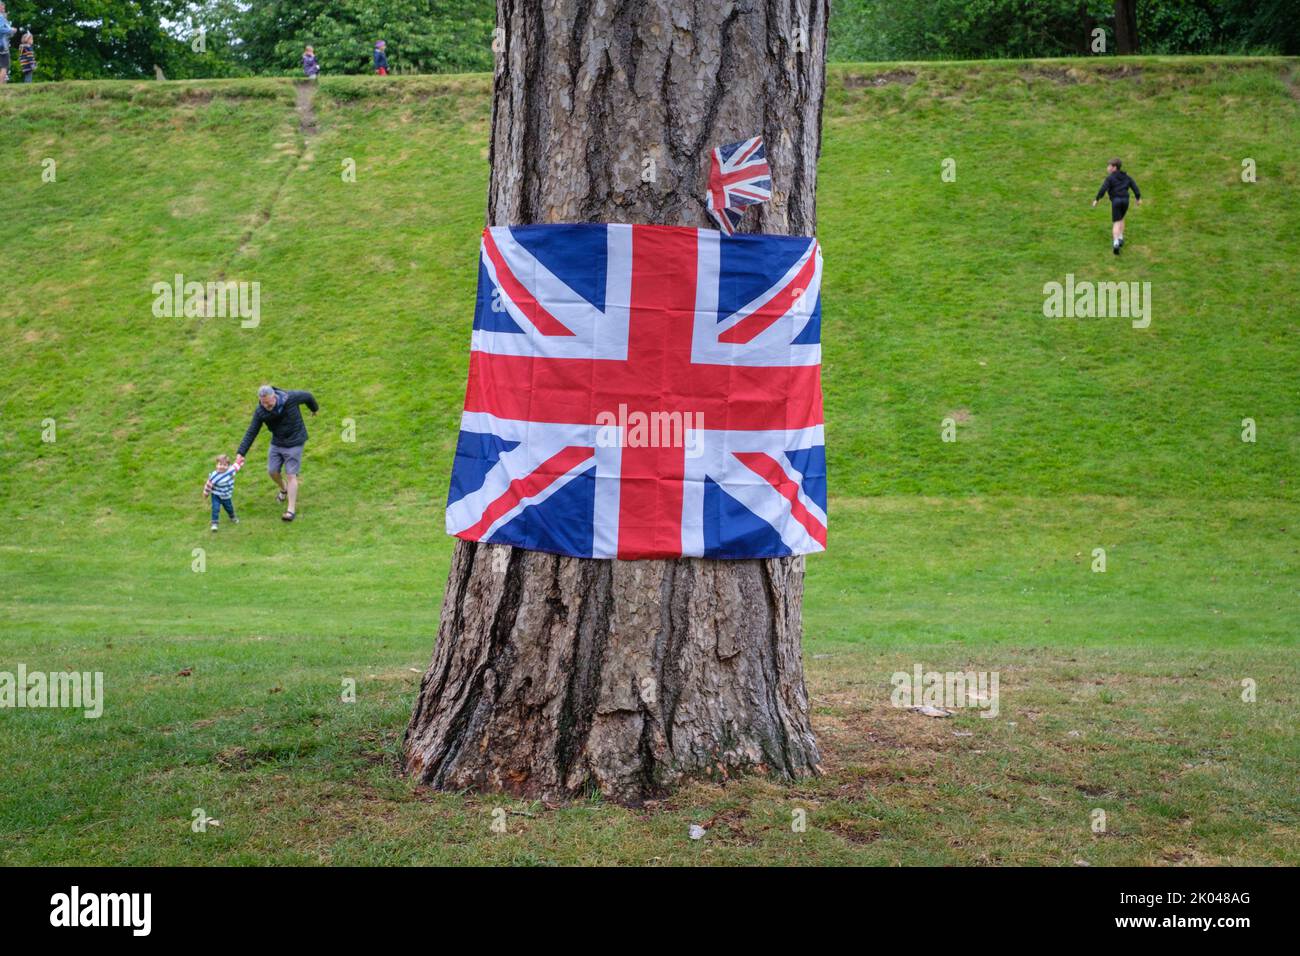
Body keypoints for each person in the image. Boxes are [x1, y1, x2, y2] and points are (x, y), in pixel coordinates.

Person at [234, 384, 318, 523]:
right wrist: (241, 452)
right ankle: (284, 489)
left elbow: (308, 396)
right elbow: (252, 431)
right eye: (263, 403)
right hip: (277, 442)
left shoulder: (291, 398)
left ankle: (291, 510)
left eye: (269, 402)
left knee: (291, 474)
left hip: (295, 441)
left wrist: (314, 409)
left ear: (274, 396)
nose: (267, 405)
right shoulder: (261, 411)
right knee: (272, 471)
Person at [1092, 157, 1142, 255]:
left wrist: (1097, 199)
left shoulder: (1110, 178)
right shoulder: (1127, 176)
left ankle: (1115, 243)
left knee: (1116, 222)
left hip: (1116, 201)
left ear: (1114, 167)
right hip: (1125, 200)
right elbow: (1134, 187)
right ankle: (1120, 238)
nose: (1107, 168)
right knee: (1122, 218)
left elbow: (1103, 189)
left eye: (1109, 166)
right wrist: (1138, 198)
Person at [203, 454, 241, 532]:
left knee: (229, 508)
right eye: (220, 464)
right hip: (216, 495)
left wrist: (240, 459)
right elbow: (208, 485)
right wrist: (206, 493)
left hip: (226, 495)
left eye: (225, 465)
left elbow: (237, 465)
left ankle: (232, 517)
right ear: (216, 465)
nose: (222, 467)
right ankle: (214, 523)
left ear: (228, 466)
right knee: (215, 508)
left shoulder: (230, 471)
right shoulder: (214, 475)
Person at [0, 4, 16, 85]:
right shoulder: (0, 17)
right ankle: (1, 86)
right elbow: (1, 29)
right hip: (2, 45)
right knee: (4, 66)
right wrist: (11, 30)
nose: (4, 9)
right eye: (2, 7)